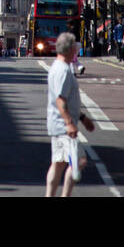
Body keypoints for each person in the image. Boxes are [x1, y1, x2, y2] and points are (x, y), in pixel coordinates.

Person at [45, 31, 95, 197]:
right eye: (75, 47)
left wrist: (82, 117)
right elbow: (60, 100)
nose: (77, 50)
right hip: (63, 126)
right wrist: (69, 123)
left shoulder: (57, 67)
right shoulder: (64, 71)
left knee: (58, 163)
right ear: (69, 49)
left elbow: (66, 100)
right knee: (79, 161)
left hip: (57, 123)